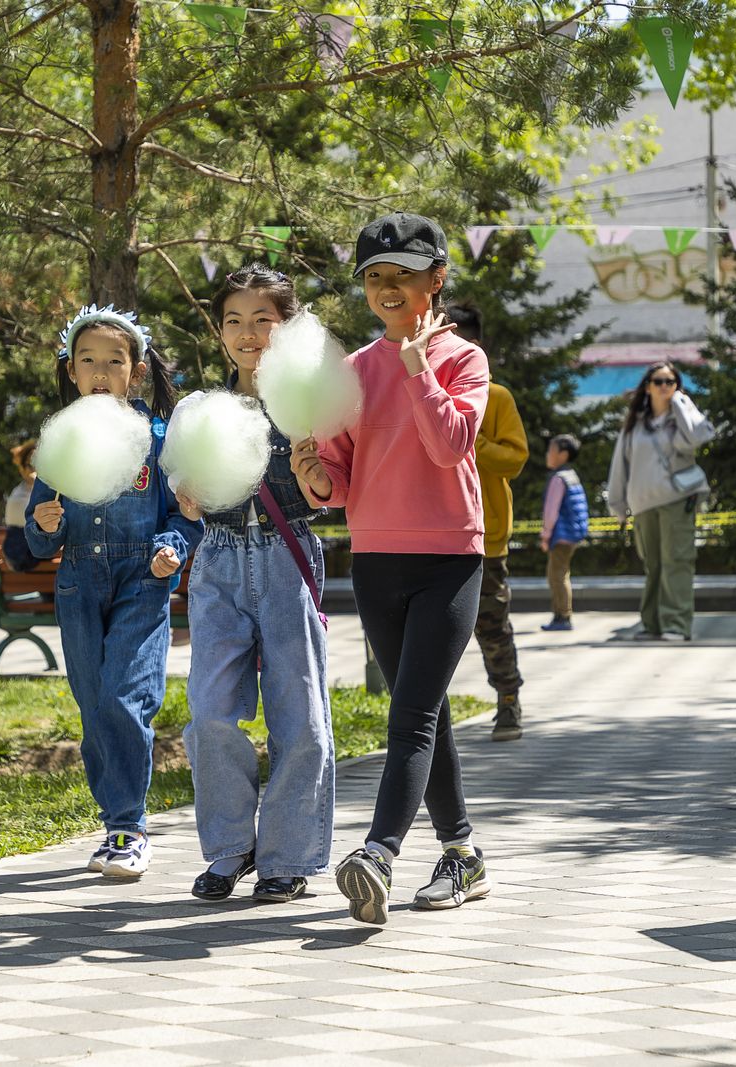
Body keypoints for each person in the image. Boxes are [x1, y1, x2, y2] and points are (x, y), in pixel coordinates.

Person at [292, 211, 490, 924]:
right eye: (375, 278)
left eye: (401, 276)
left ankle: (376, 852)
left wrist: (415, 365)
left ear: (436, 279)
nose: (386, 289)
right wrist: (313, 475)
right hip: (375, 560)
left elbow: (448, 446)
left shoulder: (465, 361)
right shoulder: (349, 374)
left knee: (409, 714)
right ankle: (462, 853)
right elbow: (340, 485)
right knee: (421, 708)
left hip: (450, 560)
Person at [23, 305, 204, 880]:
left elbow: (184, 516)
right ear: (70, 370)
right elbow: (35, 532)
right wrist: (46, 525)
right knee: (93, 704)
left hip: (141, 583)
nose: (101, 371)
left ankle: (128, 827)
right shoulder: (61, 439)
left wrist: (172, 546)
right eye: (88, 361)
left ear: (138, 370)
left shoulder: (160, 439)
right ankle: (114, 821)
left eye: (115, 361)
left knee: (126, 698)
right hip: (77, 584)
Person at [177, 264, 334, 906]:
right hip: (216, 563)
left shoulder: (312, 405)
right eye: (234, 321)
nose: (248, 333)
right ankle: (230, 848)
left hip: (285, 558)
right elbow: (187, 503)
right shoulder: (201, 409)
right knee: (210, 713)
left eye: (262, 320)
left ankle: (287, 859)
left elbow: (330, 495)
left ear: (287, 327)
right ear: (219, 333)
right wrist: (187, 496)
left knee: (299, 718)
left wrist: (312, 465)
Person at [448, 304, 529, 743]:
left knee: (493, 625)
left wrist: (468, 438)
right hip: (436, 533)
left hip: (487, 538)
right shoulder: (428, 392)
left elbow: (515, 458)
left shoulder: (496, 398)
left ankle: (508, 700)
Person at [606, 362, 715, 643]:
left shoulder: (682, 419)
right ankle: (652, 623)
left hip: (677, 500)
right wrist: (617, 504)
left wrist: (680, 403)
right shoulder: (634, 426)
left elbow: (700, 436)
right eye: (659, 381)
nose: (665, 386)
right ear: (647, 386)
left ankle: (676, 624)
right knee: (653, 564)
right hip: (643, 504)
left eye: (671, 382)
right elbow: (620, 464)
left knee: (676, 561)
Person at [539, 434, 589, 633]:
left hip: (561, 535)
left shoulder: (558, 479)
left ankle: (563, 616)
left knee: (556, 576)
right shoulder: (571, 475)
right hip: (571, 533)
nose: (547, 454)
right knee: (561, 574)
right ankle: (562, 614)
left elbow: (551, 512)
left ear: (563, 454)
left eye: (551, 450)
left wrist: (545, 535)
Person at [0, 439, 40, 572]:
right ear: (22, 468)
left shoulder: (17, 493)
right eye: (30, 464)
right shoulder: (18, 499)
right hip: (31, 564)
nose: (35, 469)